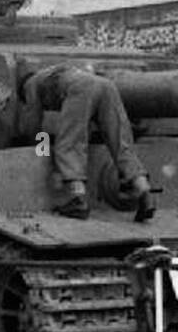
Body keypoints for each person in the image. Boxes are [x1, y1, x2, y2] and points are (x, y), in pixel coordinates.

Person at [18, 64, 156, 222]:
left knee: (68, 145)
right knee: (121, 143)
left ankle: (77, 200)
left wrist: (36, 145)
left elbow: (33, 121)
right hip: (106, 86)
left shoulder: (30, 84)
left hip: (81, 90)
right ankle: (145, 193)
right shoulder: (55, 72)